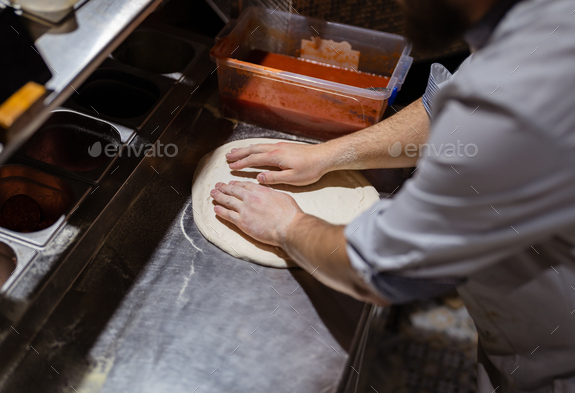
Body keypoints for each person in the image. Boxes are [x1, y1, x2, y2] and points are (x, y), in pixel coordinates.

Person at [209, 0, 575, 391]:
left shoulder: (523, 102)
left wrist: (287, 225)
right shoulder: (543, 21)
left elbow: (383, 269)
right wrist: (327, 156)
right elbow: (446, 109)